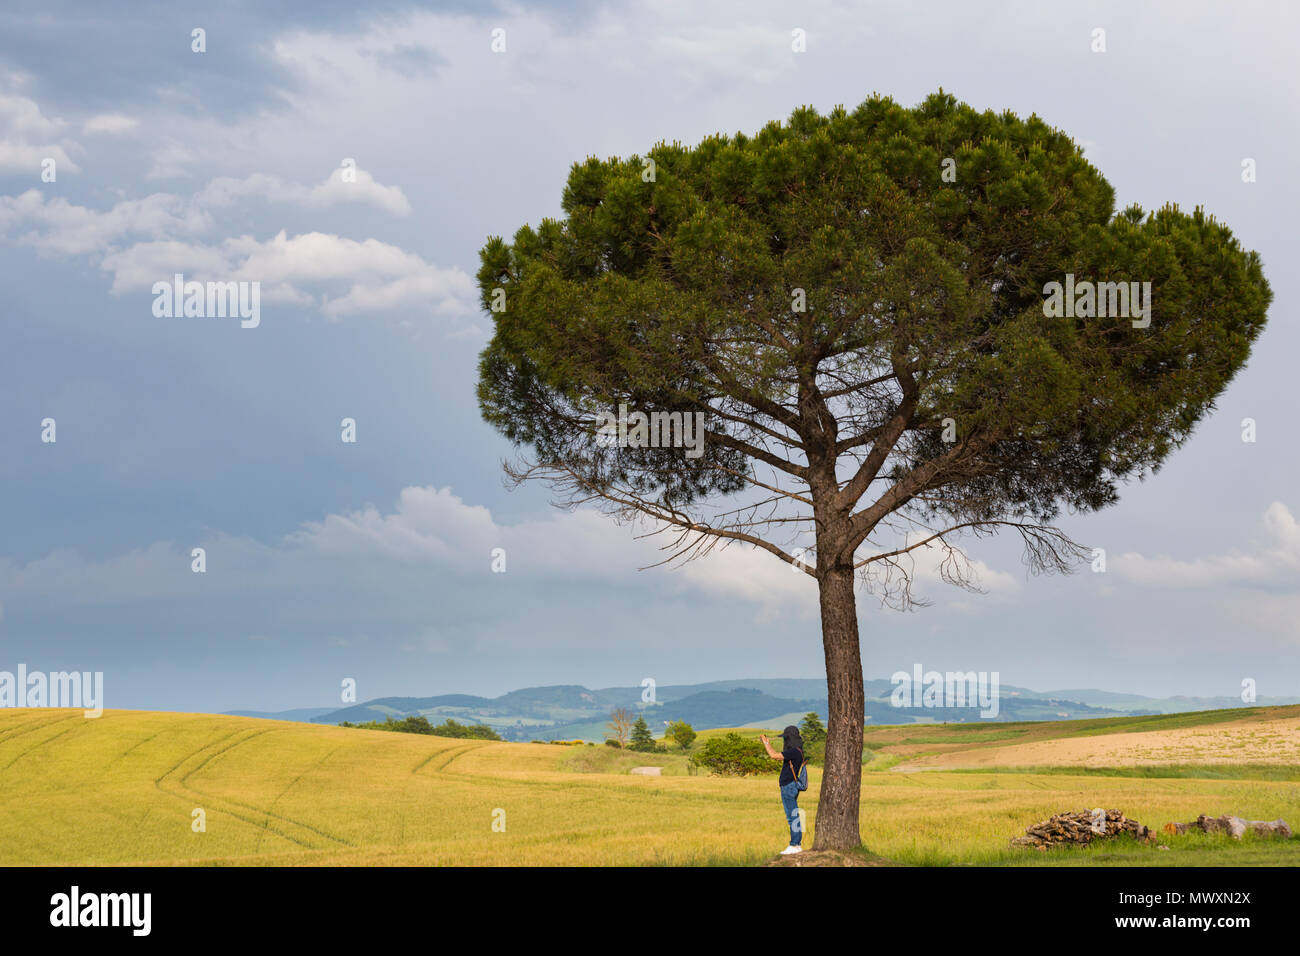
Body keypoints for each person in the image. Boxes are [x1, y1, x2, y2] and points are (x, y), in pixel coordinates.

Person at [760, 725, 805, 854]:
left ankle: (795, 844)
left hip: (788, 786)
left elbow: (773, 755)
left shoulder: (794, 752)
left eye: (786, 738)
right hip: (791, 786)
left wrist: (766, 742)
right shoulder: (798, 751)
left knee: (792, 816)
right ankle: (796, 844)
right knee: (794, 814)